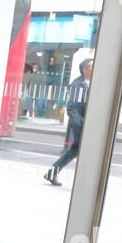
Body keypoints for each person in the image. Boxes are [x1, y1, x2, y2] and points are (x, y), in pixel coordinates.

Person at [43, 58, 93, 186]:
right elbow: (72, 107)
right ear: (85, 70)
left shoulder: (90, 83)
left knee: (75, 150)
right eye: (92, 66)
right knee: (82, 150)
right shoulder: (78, 84)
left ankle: (51, 173)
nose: (95, 68)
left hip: (84, 123)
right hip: (80, 124)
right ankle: (86, 181)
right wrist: (80, 123)